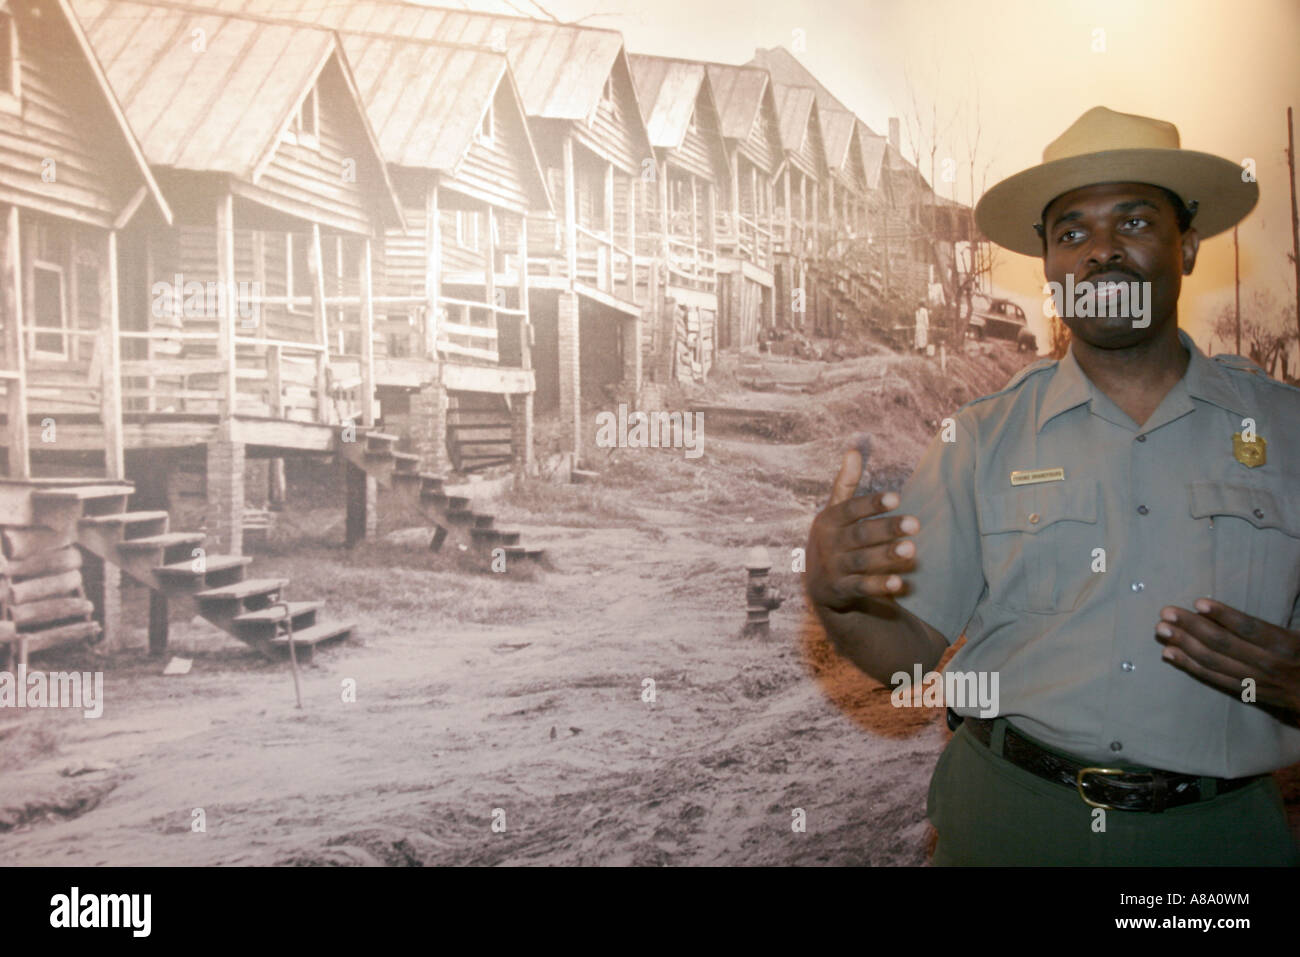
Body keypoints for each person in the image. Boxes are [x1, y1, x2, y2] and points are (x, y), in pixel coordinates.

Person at [804, 106, 1300, 865]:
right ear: (1048, 264)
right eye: (1072, 232)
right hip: (1011, 828)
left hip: (1216, 848)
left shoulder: (1288, 432)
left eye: (1133, 221)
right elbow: (904, 658)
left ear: (1188, 244)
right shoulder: (978, 438)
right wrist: (835, 596)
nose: (1101, 252)